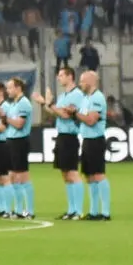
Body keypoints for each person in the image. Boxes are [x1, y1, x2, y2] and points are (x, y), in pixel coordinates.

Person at [43, 68, 84, 219]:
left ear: (70, 76)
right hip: (61, 135)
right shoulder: (63, 96)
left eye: (61, 76)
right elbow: (56, 112)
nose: (59, 78)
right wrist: (46, 104)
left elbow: (66, 115)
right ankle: (71, 209)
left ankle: (78, 211)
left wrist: (51, 104)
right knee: (65, 174)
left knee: (72, 172)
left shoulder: (77, 95)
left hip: (70, 136)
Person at [73, 68, 113, 222]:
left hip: (96, 140)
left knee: (98, 174)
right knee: (89, 176)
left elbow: (91, 120)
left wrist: (75, 113)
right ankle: (94, 211)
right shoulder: (86, 98)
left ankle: (106, 212)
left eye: (82, 81)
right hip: (87, 140)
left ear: (90, 81)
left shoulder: (97, 98)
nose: (80, 83)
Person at [0, 76, 37, 218]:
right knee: (13, 176)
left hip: (20, 141)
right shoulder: (14, 103)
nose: (7, 90)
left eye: (10, 87)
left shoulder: (24, 103)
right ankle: (19, 209)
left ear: (18, 88)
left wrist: (6, 118)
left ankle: (30, 210)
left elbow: (19, 124)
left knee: (23, 176)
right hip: (11, 140)